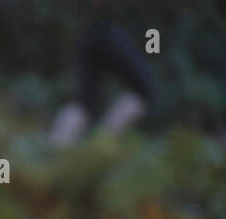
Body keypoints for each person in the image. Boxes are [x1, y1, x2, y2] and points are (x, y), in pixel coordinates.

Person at [49, 3, 154, 147]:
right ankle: (100, 144)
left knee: (86, 101)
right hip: (104, 31)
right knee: (144, 89)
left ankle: (58, 143)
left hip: (92, 31)